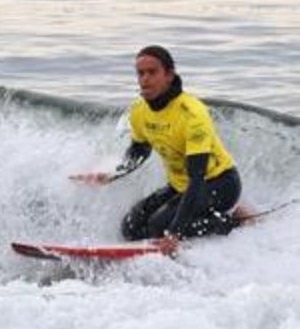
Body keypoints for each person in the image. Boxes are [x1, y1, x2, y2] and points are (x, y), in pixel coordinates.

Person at [71, 45, 242, 255]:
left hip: (219, 183)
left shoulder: (192, 113)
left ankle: (231, 220)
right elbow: (139, 151)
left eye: (152, 72)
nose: (145, 79)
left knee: (158, 227)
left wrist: (174, 234)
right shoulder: (139, 111)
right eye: (140, 73)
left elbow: (196, 177)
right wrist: (113, 174)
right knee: (130, 227)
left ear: (169, 75)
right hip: (181, 186)